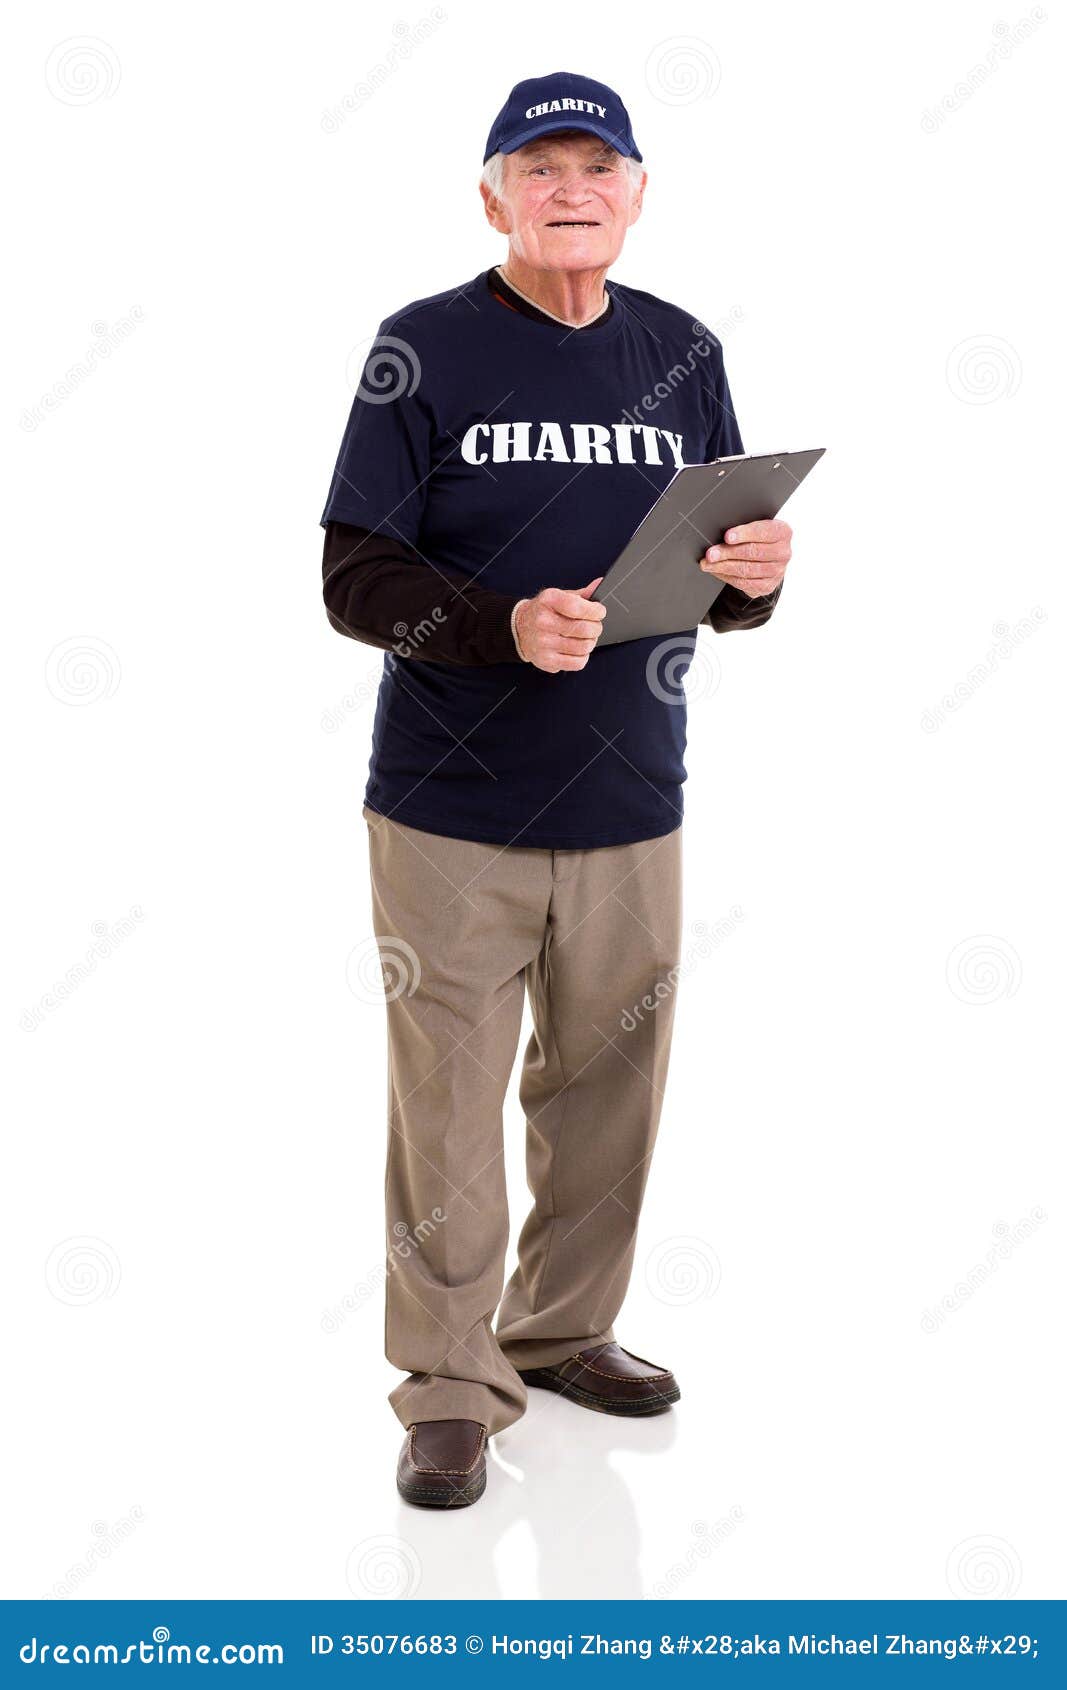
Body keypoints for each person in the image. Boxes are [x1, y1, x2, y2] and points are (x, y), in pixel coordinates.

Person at [320, 71, 793, 1509]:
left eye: (600, 165)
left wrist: (758, 583)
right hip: (453, 805)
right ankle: (453, 1387)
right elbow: (354, 577)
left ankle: (565, 1329)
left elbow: (716, 561)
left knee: (608, 1091)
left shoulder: (684, 350)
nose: (571, 188)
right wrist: (495, 624)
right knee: (451, 1105)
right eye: (540, 167)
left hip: (634, 797)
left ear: (638, 195)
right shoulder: (426, 349)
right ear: (492, 196)